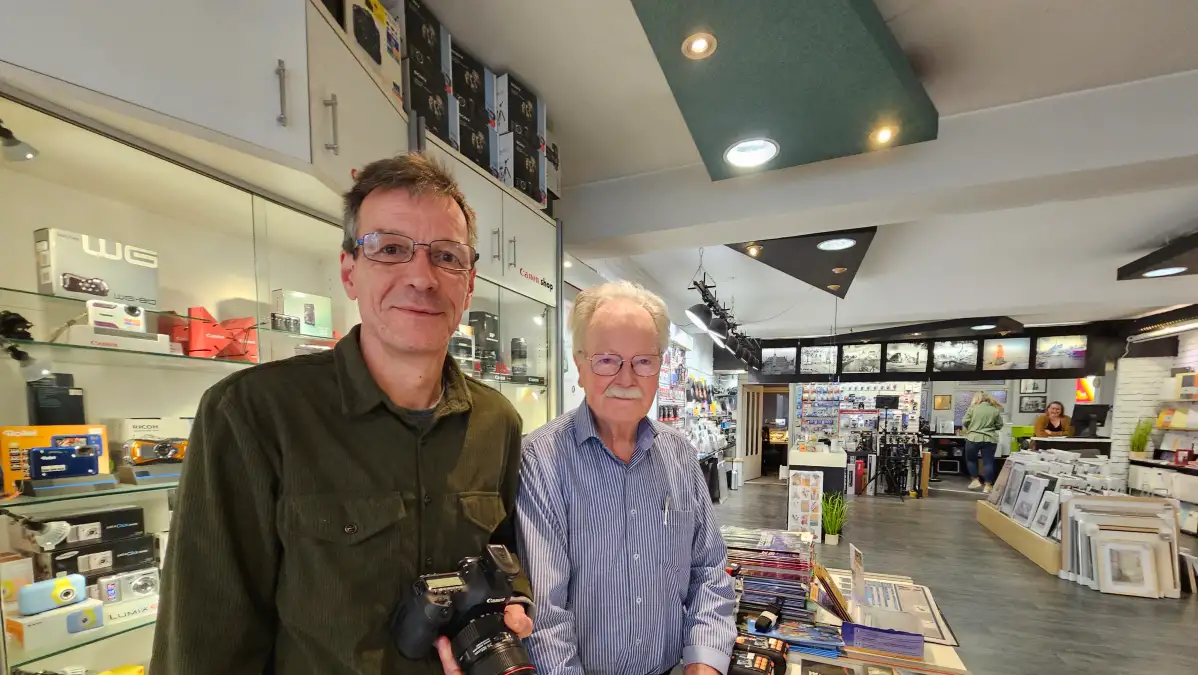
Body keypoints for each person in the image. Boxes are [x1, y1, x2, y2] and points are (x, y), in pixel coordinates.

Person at [153, 154, 532, 675]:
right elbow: (202, 643)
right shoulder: (252, 414)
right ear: (349, 270)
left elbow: (506, 557)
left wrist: (513, 606)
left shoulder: (497, 423)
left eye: (446, 256)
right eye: (391, 249)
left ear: (467, 283)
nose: (421, 277)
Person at [517, 281, 736, 675]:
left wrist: (705, 660)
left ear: (658, 367)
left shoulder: (679, 454)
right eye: (606, 360)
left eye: (643, 361)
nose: (626, 378)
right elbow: (545, 614)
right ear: (580, 364)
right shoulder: (541, 460)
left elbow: (708, 570)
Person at [962, 392, 1004, 493]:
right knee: (988, 462)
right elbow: (999, 425)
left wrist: (972, 428)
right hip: (990, 439)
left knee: (971, 460)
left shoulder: (972, 408)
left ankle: (975, 480)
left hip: (973, 438)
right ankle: (988, 486)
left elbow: (965, 422)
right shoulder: (995, 410)